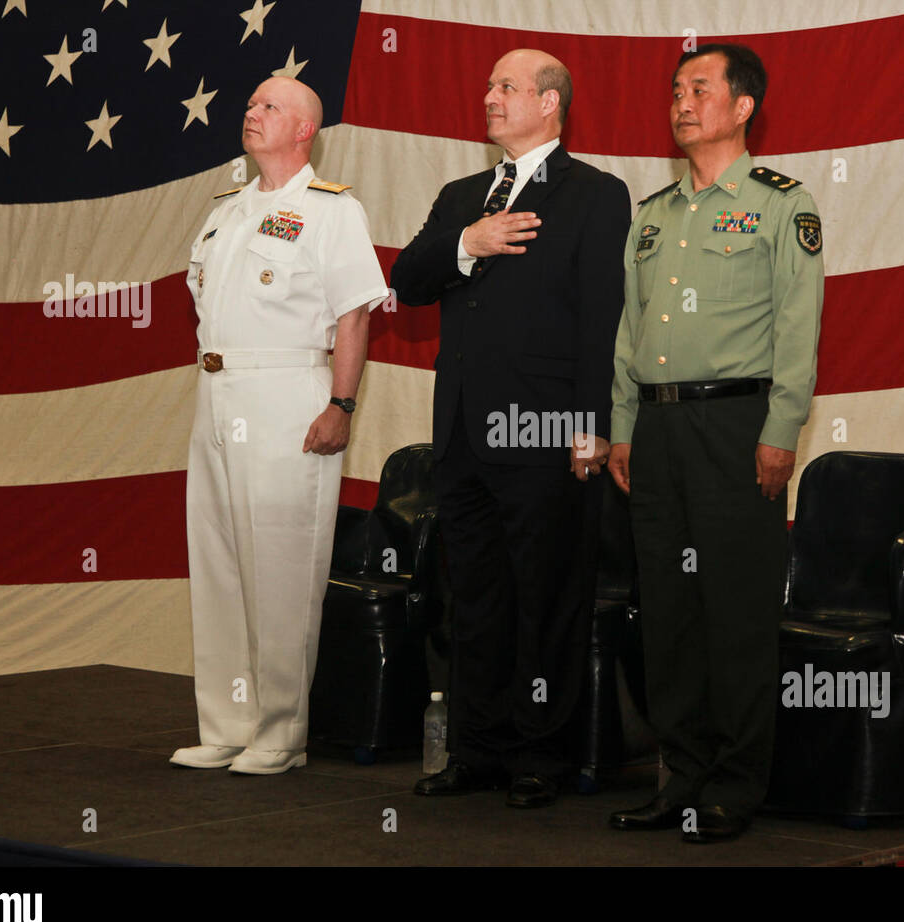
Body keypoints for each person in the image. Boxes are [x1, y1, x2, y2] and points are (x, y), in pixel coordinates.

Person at [390, 49, 630, 808]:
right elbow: (408, 279)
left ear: (551, 102)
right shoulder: (465, 194)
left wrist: (594, 427)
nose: (488, 95)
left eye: (506, 86)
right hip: (462, 434)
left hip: (548, 429)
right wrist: (470, 243)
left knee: (546, 597)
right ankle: (477, 750)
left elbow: (603, 321)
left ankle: (540, 758)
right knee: (475, 598)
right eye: (489, 84)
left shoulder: (595, 194)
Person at [606, 44, 824, 841]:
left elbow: (799, 329)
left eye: (701, 88)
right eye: (675, 88)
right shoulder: (654, 214)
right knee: (667, 610)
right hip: (658, 429)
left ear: (742, 109)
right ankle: (681, 776)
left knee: (734, 609)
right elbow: (630, 329)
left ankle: (735, 783)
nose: (682, 100)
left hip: (738, 425)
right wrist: (623, 425)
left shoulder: (780, 204)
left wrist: (780, 432)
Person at [170, 76, 389, 775]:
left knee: (282, 566)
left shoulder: (332, 211)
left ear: (303, 129)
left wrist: (343, 405)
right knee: (221, 562)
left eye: (267, 105)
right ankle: (227, 722)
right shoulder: (226, 209)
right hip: (216, 391)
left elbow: (354, 313)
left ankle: (280, 732)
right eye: (251, 100)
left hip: (289, 390)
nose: (250, 110)